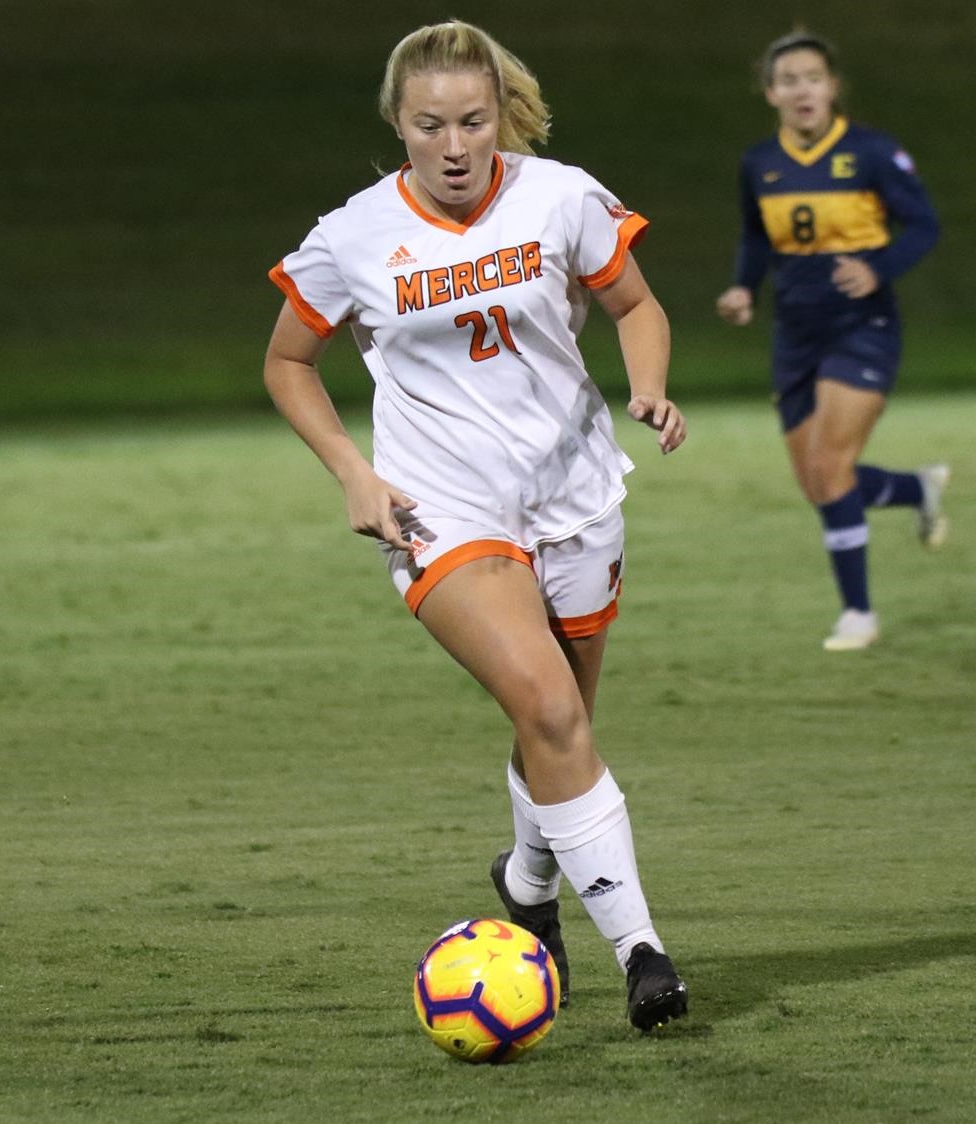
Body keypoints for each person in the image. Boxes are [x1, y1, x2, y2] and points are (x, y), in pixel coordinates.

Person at [262, 19, 689, 1032]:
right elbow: (286, 362)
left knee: (560, 722)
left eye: (472, 121)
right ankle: (642, 951)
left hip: (573, 490)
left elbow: (636, 305)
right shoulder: (353, 235)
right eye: (429, 126)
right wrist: (354, 474)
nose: (453, 147)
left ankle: (528, 878)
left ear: (500, 114)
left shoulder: (560, 196)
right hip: (439, 508)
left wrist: (649, 385)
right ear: (396, 124)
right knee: (549, 709)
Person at [715, 30, 947, 651]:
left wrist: (878, 269)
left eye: (813, 78)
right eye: (789, 80)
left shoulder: (871, 153)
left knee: (830, 466)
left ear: (832, 87)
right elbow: (756, 236)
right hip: (796, 333)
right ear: (771, 93)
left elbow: (924, 224)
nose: (803, 90)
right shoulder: (760, 163)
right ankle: (918, 488)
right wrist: (743, 288)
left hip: (862, 327)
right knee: (818, 483)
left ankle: (858, 614)